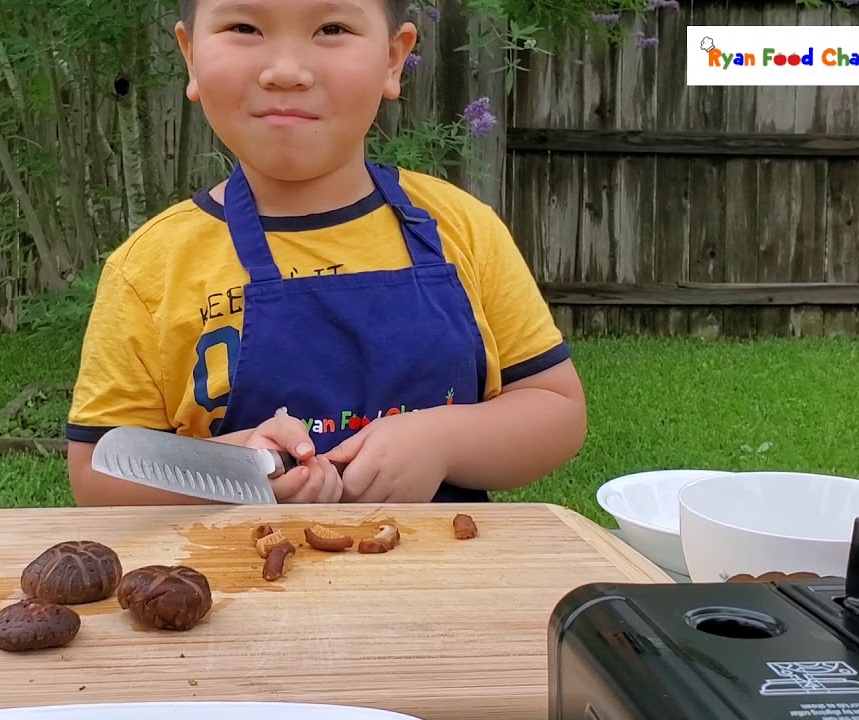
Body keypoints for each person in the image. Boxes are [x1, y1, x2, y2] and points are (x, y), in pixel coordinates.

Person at [65, 0, 586, 506]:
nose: (287, 71)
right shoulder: (148, 268)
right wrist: (236, 465)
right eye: (245, 27)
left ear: (393, 58)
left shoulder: (463, 230)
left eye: (332, 29)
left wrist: (443, 441)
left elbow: (557, 413)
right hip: (232, 586)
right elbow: (97, 474)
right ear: (191, 57)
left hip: (446, 583)